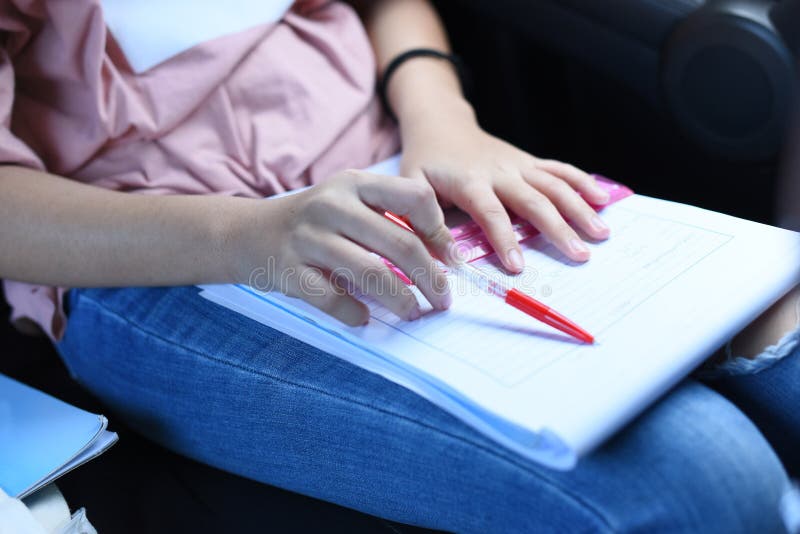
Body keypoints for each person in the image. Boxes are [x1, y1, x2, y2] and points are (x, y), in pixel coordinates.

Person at [0, 0, 798, 531]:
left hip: (400, 160)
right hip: (168, 253)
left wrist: (442, 122)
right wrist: (245, 237)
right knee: (704, 481)